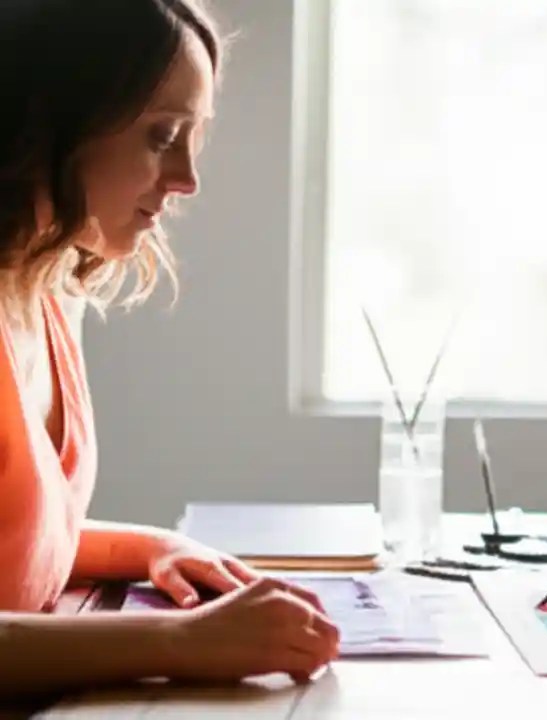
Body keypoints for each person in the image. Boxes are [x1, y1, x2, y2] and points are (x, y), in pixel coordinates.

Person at [0, 0, 339, 699]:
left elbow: (19, 535)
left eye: (193, 139)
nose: (186, 179)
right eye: (162, 136)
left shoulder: (44, 299)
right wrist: (182, 640)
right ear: (52, 123)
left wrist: (156, 546)